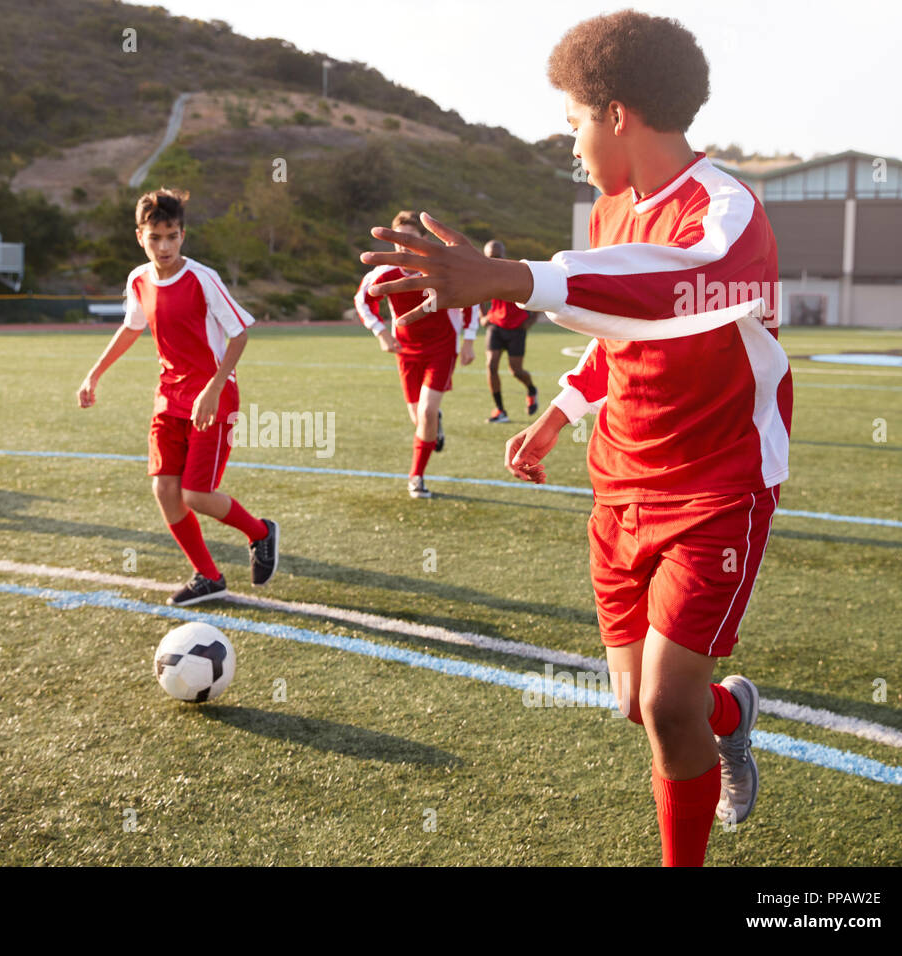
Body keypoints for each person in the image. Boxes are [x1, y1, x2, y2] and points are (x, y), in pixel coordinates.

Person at [359, 11, 792, 866]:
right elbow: (616, 330)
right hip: (619, 482)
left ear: (617, 115)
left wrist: (523, 276)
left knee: (668, 706)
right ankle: (732, 716)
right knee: (640, 704)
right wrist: (559, 413)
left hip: (715, 485)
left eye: (572, 122)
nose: (571, 143)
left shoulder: (727, 211)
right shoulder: (607, 214)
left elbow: (683, 285)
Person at [76, 188, 278, 607]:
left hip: (213, 395)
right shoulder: (137, 279)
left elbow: (240, 333)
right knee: (165, 491)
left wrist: (214, 386)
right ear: (140, 237)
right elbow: (132, 327)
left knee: (197, 495)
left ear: (182, 235)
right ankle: (208, 576)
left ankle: (260, 532)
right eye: (155, 237)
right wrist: (95, 373)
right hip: (168, 396)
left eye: (171, 236)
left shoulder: (203, 278)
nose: (164, 246)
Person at [355, 210, 479, 498]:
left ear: (424, 240)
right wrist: (381, 332)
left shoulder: (440, 269)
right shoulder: (384, 273)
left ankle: (416, 477)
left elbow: (470, 299)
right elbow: (362, 300)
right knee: (419, 417)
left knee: (425, 412)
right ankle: (436, 423)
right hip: (406, 350)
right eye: (398, 239)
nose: (402, 244)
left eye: (410, 238)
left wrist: (469, 340)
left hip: (442, 347)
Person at [481, 240, 537, 423]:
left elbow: (538, 292)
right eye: (491, 257)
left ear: (504, 255)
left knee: (516, 371)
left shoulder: (518, 271)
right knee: (491, 366)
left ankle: (531, 389)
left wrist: (532, 319)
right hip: (496, 326)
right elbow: (477, 294)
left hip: (517, 328)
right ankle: (500, 410)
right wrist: (483, 316)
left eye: (498, 256)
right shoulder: (484, 274)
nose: (495, 260)